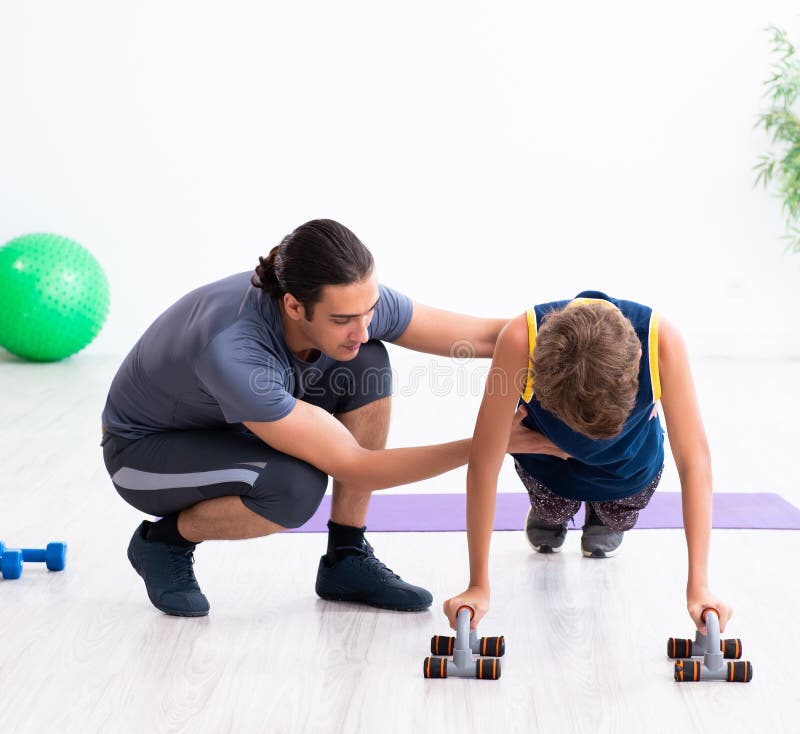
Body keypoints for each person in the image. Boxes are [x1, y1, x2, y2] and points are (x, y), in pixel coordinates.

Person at [101, 219, 541, 617]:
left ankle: (346, 558)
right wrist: (492, 443)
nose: (363, 325)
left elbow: (488, 336)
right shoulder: (235, 352)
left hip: (227, 422)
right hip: (145, 453)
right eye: (345, 319)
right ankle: (163, 543)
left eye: (369, 310)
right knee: (293, 490)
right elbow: (353, 464)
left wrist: (567, 327)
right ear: (294, 306)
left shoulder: (350, 304)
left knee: (366, 358)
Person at [443, 291, 733, 635]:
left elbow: (694, 461)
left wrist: (699, 585)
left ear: (638, 355)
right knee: (551, 511)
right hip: (548, 460)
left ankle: (603, 516)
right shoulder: (520, 340)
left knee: (616, 515)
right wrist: (478, 584)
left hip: (628, 466)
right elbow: (484, 461)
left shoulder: (660, 341)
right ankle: (554, 512)